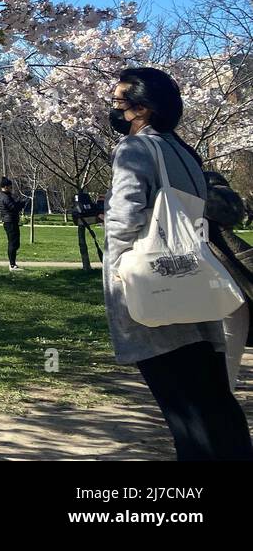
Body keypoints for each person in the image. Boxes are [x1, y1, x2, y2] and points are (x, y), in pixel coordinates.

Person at [104, 66, 252, 461]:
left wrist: (118, 271)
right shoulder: (183, 152)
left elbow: (125, 217)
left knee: (183, 409)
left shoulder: (135, 149)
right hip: (193, 284)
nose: (114, 110)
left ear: (142, 109)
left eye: (119, 103)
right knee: (211, 399)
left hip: (155, 290)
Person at [203, 170, 253, 391]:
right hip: (231, 300)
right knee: (224, 378)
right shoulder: (234, 249)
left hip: (222, 299)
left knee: (220, 382)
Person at [0, 177, 27, 271]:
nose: (11, 189)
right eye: (10, 187)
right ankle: (12, 265)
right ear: (5, 187)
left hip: (11, 221)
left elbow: (13, 205)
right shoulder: (5, 197)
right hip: (10, 222)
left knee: (15, 243)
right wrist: (22, 204)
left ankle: (13, 263)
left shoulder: (5, 196)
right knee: (13, 244)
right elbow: (13, 207)